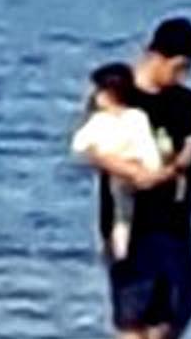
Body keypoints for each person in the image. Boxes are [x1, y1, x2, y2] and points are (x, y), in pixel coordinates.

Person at [89, 17, 191, 339]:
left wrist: (176, 167)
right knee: (134, 305)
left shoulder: (185, 101)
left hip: (175, 218)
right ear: (155, 56)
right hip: (129, 219)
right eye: (176, 67)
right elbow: (96, 147)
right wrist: (133, 174)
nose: (181, 75)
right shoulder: (120, 94)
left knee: (180, 303)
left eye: (187, 69)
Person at [71, 60, 167, 265]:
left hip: (131, 171)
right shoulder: (103, 121)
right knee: (121, 211)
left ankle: (122, 251)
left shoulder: (133, 118)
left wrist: (146, 167)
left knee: (123, 211)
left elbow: (146, 148)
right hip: (121, 171)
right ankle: (120, 251)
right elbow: (80, 146)